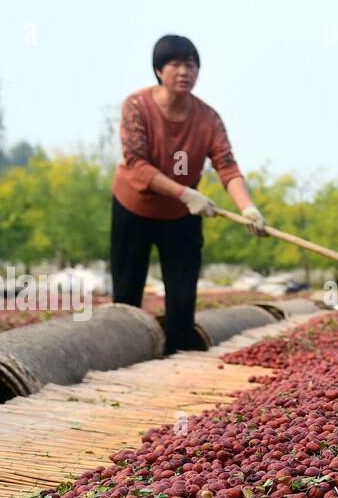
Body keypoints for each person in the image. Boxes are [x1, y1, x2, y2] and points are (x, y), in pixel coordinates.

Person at [111, 34, 267, 353]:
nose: (185, 72)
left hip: (181, 216)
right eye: (176, 64)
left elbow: (226, 166)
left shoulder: (207, 118)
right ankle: (122, 355)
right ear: (159, 70)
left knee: (182, 301)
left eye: (191, 65)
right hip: (135, 210)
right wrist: (185, 192)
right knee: (127, 295)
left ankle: (175, 360)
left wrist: (248, 207)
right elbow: (138, 164)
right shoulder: (137, 106)